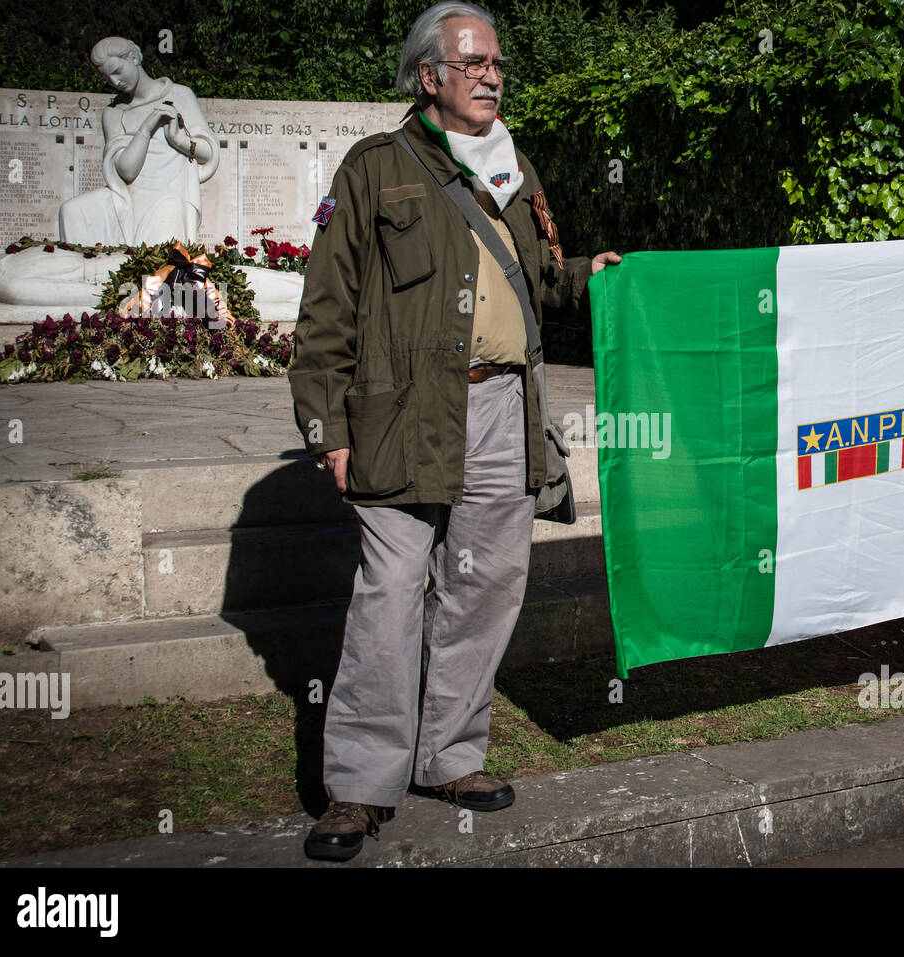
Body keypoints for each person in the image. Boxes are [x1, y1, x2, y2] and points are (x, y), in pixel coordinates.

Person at [290, 0, 620, 861]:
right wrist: (328, 424)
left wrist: (595, 277)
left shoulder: (517, 171)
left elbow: (543, 284)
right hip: (401, 414)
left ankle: (449, 755)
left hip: (506, 409)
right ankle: (360, 786)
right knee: (391, 592)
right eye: (473, 64)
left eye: (497, 63)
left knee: (485, 589)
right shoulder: (374, 170)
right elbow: (325, 312)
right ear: (428, 76)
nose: (492, 77)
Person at [58, 37, 219, 246]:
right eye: (107, 77)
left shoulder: (179, 94)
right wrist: (146, 128)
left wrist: (178, 139)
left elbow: (207, 152)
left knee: (158, 259)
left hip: (168, 197)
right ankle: (85, 275)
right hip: (128, 198)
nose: (115, 82)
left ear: (133, 57)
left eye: (116, 71)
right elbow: (126, 171)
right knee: (72, 211)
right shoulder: (114, 113)